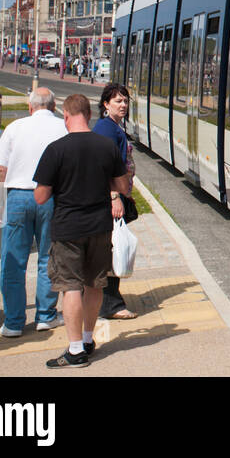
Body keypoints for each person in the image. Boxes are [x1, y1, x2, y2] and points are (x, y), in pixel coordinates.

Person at [33, 94, 128, 368]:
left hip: (68, 228)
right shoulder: (107, 146)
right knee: (94, 284)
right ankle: (88, 339)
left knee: (71, 287)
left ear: (65, 115)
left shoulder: (56, 149)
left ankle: (75, 351)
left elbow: (40, 197)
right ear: (89, 114)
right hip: (100, 226)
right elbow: (122, 186)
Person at [0, 87, 67, 337]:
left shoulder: (15, 127)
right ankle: (46, 315)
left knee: (14, 260)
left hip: (18, 196)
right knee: (48, 257)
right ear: (53, 106)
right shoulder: (62, 127)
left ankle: (13, 322)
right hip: (51, 197)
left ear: (30, 107)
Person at [93, 84, 137, 321]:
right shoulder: (107, 130)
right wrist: (115, 196)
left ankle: (107, 301)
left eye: (125, 101)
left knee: (112, 248)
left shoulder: (113, 127)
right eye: (118, 101)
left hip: (115, 196)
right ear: (105, 104)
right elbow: (105, 166)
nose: (123, 105)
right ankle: (110, 305)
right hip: (110, 200)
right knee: (112, 250)